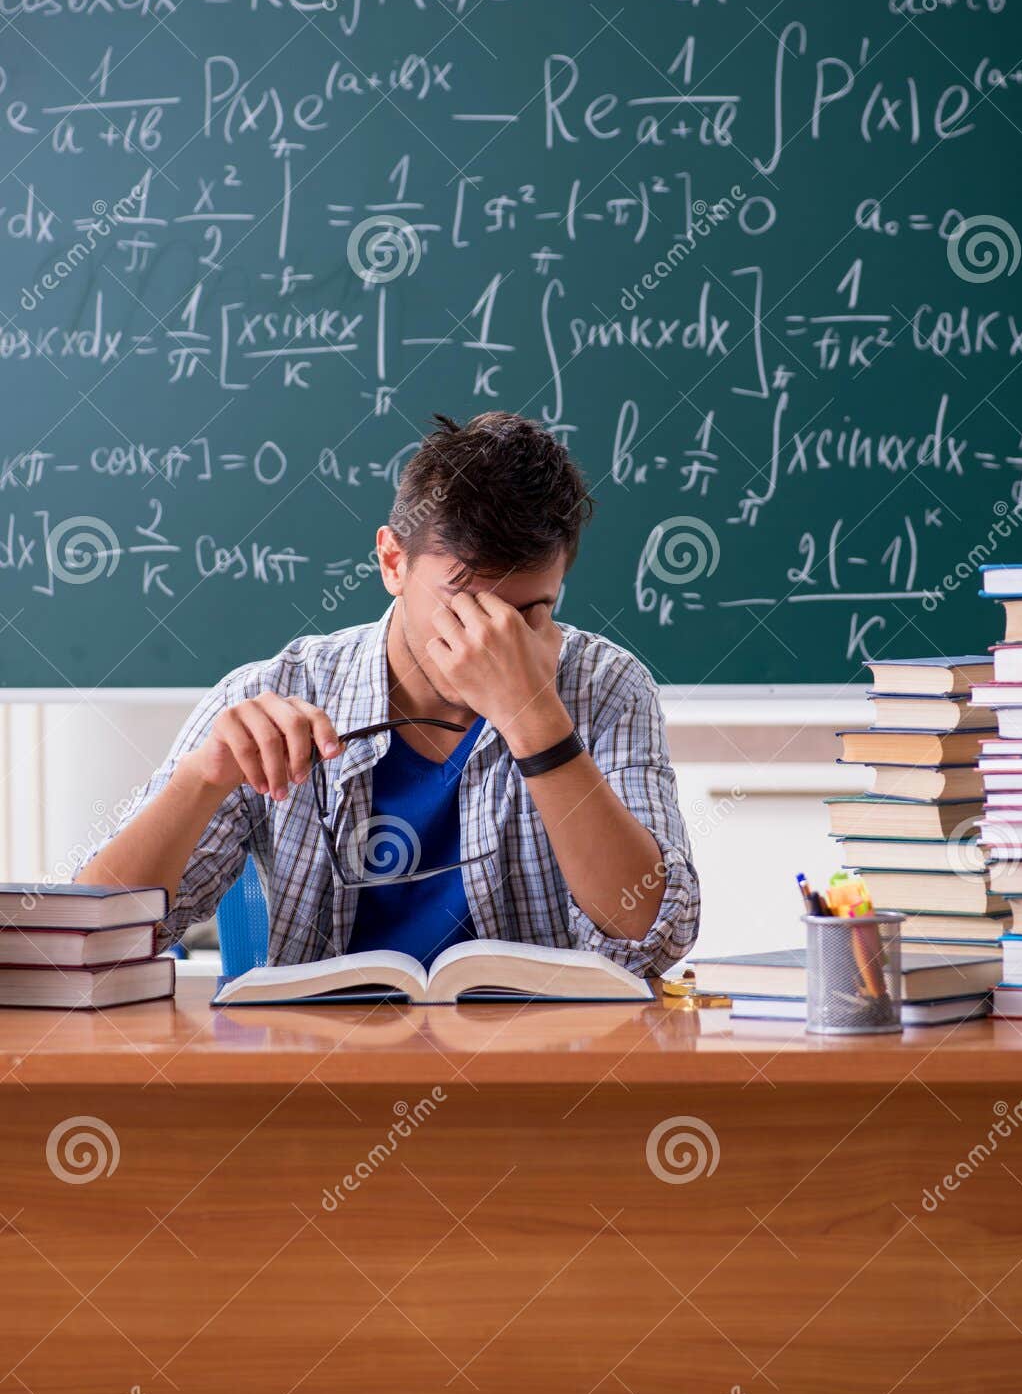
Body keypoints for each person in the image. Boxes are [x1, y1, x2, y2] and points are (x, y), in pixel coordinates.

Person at [80, 412, 700, 975]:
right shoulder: (274, 692)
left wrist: (535, 719)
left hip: (536, 1078)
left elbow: (653, 937)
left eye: (531, 613)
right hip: (323, 1072)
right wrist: (199, 782)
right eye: (468, 608)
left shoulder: (603, 686)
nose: (494, 644)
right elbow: (91, 939)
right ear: (393, 562)